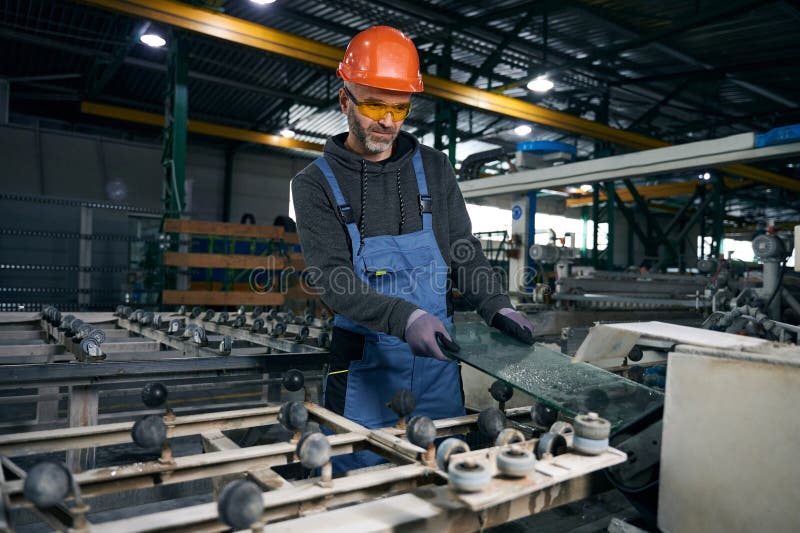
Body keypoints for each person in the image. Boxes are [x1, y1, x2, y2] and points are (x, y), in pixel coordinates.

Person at [291, 26, 534, 470]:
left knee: (443, 480)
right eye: (373, 105)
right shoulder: (313, 184)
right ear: (345, 100)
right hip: (365, 373)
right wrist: (404, 317)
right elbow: (334, 280)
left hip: (438, 367)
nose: (388, 121)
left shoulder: (435, 169)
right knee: (362, 492)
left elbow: (462, 249)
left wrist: (496, 305)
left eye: (400, 107)